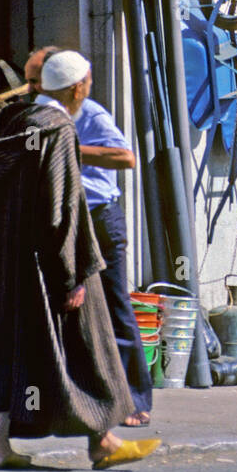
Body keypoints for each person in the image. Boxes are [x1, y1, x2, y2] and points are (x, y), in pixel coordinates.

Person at [0, 85, 159, 470]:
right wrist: (73, 276)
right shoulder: (60, 130)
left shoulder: (10, 121)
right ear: (79, 87)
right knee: (89, 347)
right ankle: (102, 441)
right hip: (46, 265)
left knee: (21, 354)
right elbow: (62, 211)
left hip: (6, 265)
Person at [36, 49, 151, 427]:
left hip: (99, 218)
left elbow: (126, 158)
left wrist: (70, 148)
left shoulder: (90, 114)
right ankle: (83, 398)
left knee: (116, 307)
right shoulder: (42, 117)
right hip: (67, 220)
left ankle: (133, 400)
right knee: (67, 308)